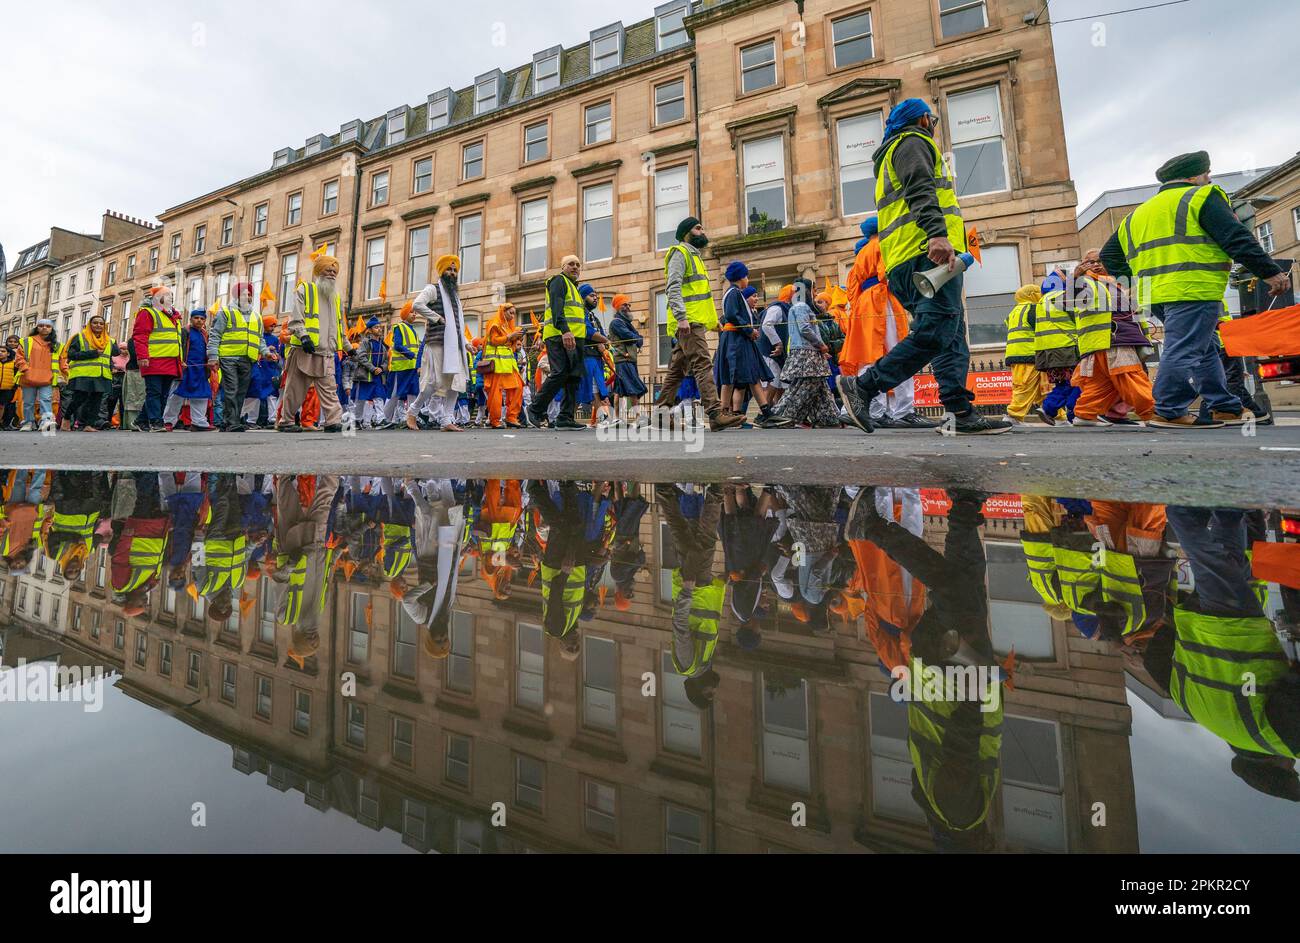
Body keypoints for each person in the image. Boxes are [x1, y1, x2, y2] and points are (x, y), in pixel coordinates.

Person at [839, 99, 1009, 436]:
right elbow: (920, 186)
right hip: (925, 256)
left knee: (950, 334)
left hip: (911, 259)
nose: (934, 124)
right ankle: (863, 387)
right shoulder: (912, 143)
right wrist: (937, 234)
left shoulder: (897, 150)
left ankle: (959, 410)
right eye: (932, 118)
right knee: (934, 332)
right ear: (922, 120)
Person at [1102, 150, 1289, 429]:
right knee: (1187, 348)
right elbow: (1235, 237)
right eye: (1207, 173)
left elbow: (1110, 255)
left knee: (1204, 348)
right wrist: (1269, 271)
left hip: (1155, 293)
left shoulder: (1137, 214)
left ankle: (1224, 406)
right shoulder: (1202, 196)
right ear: (1194, 176)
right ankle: (1168, 409)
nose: (1209, 178)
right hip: (1192, 287)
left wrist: (1135, 279)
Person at [653, 218, 746, 431]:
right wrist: (682, 317)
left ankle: (660, 414)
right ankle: (715, 413)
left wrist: (713, 323)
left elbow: (700, 297)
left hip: (694, 321)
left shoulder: (696, 258)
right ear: (686, 233)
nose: (702, 231)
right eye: (697, 228)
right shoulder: (680, 253)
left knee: (677, 370)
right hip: (688, 322)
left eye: (702, 227)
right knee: (703, 364)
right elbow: (672, 287)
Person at [1069, 251, 1155, 427]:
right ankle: (1154, 413)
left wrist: (1145, 340)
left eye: (1100, 260)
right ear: (1083, 265)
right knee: (1132, 378)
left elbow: (1138, 315)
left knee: (1102, 384)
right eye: (1090, 262)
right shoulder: (1086, 282)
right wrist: (1074, 278)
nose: (1096, 264)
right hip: (1112, 341)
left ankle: (1085, 415)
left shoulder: (1118, 284)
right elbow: (1072, 299)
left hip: (1107, 341)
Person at [278, 254, 353, 433]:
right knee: (295, 388)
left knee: (329, 389)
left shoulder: (335, 298)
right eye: (328, 270)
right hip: (304, 350)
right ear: (319, 271)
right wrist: (303, 336)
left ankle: (333, 421)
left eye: (335, 271)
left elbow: (339, 326)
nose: (332, 274)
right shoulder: (304, 289)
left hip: (326, 352)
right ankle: (286, 421)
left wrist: (349, 348)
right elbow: (296, 317)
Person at [716, 262, 787, 428]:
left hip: (735, 338)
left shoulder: (733, 293)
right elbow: (733, 315)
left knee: (741, 376)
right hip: (737, 338)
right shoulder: (734, 293)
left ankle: (725, 412)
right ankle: (764, 413)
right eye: (746, 276)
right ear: (741, 277)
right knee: (750, 375)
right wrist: (750, 331)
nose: (747, 279)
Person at [408, 254, 470, 432]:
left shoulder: (455, 297)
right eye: (449, 269)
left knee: (456, 383)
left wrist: (466, 343)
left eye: (455, 270)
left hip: (454, 345)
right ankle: (412, 412)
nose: (452, 273)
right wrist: (436, 318)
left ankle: (446, 420)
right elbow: (417, 304)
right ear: (442, 271)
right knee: (434, 383)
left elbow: (457, 326)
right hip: (436, 343)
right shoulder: (433, 289)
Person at [527, 255, 588, 430]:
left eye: (577, 264)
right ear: (563, 267)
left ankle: (565, 417)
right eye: (571, 264)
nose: (575, 267)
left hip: (576, 338)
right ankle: (534, 409)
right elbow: (556, 308)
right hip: (559, 335)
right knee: (560, 372)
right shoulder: (558, 281)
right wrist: (565, 331)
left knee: (574, 376)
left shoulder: (574, 287)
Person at [772, 279, 841, 427]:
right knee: (804, 387)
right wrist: (821, 345)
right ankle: (781, 416)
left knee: (821, 388)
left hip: (809, 351)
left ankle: (829, 418)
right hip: (806, 352)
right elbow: (805, 329)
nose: (815, 293)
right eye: (813, 289)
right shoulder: (801, 306)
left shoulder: (798, 306)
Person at [210, 281, 274, 433]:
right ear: (236, 296)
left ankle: (229, 421)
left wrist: (265, 353)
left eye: (250, 294)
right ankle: (232, 422)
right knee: (231, 389)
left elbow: (259, 339)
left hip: (247, 359)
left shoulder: (256, 316)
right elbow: (215, 335)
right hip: (228, 357)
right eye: (244, 294)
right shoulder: (225, 312)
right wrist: (213, 356)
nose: (248, 297)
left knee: (241, 392)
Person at [131, 285, 184, 432]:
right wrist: (142, 356)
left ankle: (140, 421)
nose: (169, 297)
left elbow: (178, 340)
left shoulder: (174, 316)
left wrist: (181, 359)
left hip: (171, 360)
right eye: (165, 295)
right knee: (154, 392)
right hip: (153, 359)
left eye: (170, 295)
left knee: (164, 393)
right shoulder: (148, 312)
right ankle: (156, 421)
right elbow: (140, 336)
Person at [1033, 272, 1080, 425]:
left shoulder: (1041, 302)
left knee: (1063, 383)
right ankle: (1055, 408)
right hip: (1067, 349)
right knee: (1077, 381)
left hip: (1048, 353)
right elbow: (1079, 320)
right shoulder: (1064, 297)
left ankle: (1059, 410)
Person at [60, 314, 118, 432]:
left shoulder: (110, 340)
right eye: (95, 323)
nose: (98, 325)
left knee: (97, 401)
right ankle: (66, 419)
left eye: (101, 323)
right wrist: (92, 353)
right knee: (79, 398)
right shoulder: (80, 337)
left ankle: (89, 425)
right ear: (89, 325)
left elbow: (114, 354)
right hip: (83, 374)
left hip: (101, 374)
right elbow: (71, 355)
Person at [1003, 284, 1047, 424]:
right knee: (1025, 387)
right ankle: (1013, 416)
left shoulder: (1013, 312)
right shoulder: (1033, 309)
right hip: (1029, 354)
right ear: (1031, 295)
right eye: (1038, 293)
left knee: (1043, 388)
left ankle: (1057, 416)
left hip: (1015, 355)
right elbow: (1042, 330)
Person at [162, 310, 213, 431]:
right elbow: (178, 347)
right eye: (196, 318)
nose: (199, 320)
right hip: (185, 369)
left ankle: (199, 422)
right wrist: (180, 362)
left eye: (202, 318)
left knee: (201, 396)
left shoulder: (205, 334)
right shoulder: (184, 331)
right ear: (190, 319)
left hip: (200, 370)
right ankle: (168, 422)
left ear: (205, 321)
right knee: (176, 396)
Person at [481, 302, 525, 429]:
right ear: (503, 311)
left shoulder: (508, 326)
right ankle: (495, 420)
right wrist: (511, 336)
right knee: (495, 393)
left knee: (518, 387)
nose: (512, 316)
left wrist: (515, 338)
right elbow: (494, 341)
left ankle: (511, 417)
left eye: (514, 314)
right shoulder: (494, 323)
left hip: (509, 364)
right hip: (496, 365)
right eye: (510, 313)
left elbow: (509, 345)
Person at [13, 319, 62, 431]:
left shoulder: (57, 345)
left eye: (47, 326)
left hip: (47, 377)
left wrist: (65, 375)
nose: (44, 328)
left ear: (52, 329)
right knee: (28, 402)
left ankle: (45, 422)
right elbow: (19, 357)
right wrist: (26, 369)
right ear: (37, 328)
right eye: (41, 325)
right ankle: (28, 422)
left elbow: (61, 361)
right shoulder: (26, 341)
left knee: (46, 400)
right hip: (28, 376)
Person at [607, 294, 647, 424]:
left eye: (628, 304)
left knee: (619, 391)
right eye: (624, 304)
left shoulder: (626, 323)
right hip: (624, 360)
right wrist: (638, 338)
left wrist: (638, 338)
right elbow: (630, 336)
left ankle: (616, 418)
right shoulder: (616, 323)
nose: (628, 307)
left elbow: (637, 338)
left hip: (629, 360)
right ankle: (638, 417)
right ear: (618, 307)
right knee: (632, 388)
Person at [382, 302, 421, 430]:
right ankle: (384, 418)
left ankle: (411, 418)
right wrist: (410, 354)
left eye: (415, 312)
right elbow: (397, 345)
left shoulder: (414, 331)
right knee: (394, 394)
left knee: (413, 393)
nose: (414, 314)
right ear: (405, 314)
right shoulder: (399, 327)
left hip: (411, 367)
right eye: (411, 312)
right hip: (400, 368)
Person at [243, 314, 283, 428]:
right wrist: (265, 351)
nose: (273, 328)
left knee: (272, 395)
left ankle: (272, 418)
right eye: (271, 325)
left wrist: (275, 354)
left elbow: (278, 356)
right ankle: (249, 419)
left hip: (270, 370)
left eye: (274, 326)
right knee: (255, 394)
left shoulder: (275, 339)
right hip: (259, 369)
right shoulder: (258, 337)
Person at [352, 317, 389, 428]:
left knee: (379, 397)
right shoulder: (365, 343)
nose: (379, 329)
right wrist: (373, 368)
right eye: (376, 327)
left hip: (378, 376)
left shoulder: (383, 346)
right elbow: (361, 357)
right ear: (369, 330)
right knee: (361, 399)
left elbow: (387, 360)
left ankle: (381, 419)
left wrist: (382, 368)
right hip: (366, 376)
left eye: (379, 327)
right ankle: (357, 420)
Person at [0, 335, 20, 429]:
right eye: (10, 341)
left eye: (15, 341)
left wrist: (15, 385)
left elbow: (17, 373)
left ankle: (6, 424)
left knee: (9, 406)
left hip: (9, 387)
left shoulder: (14, 362)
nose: (12, 343)